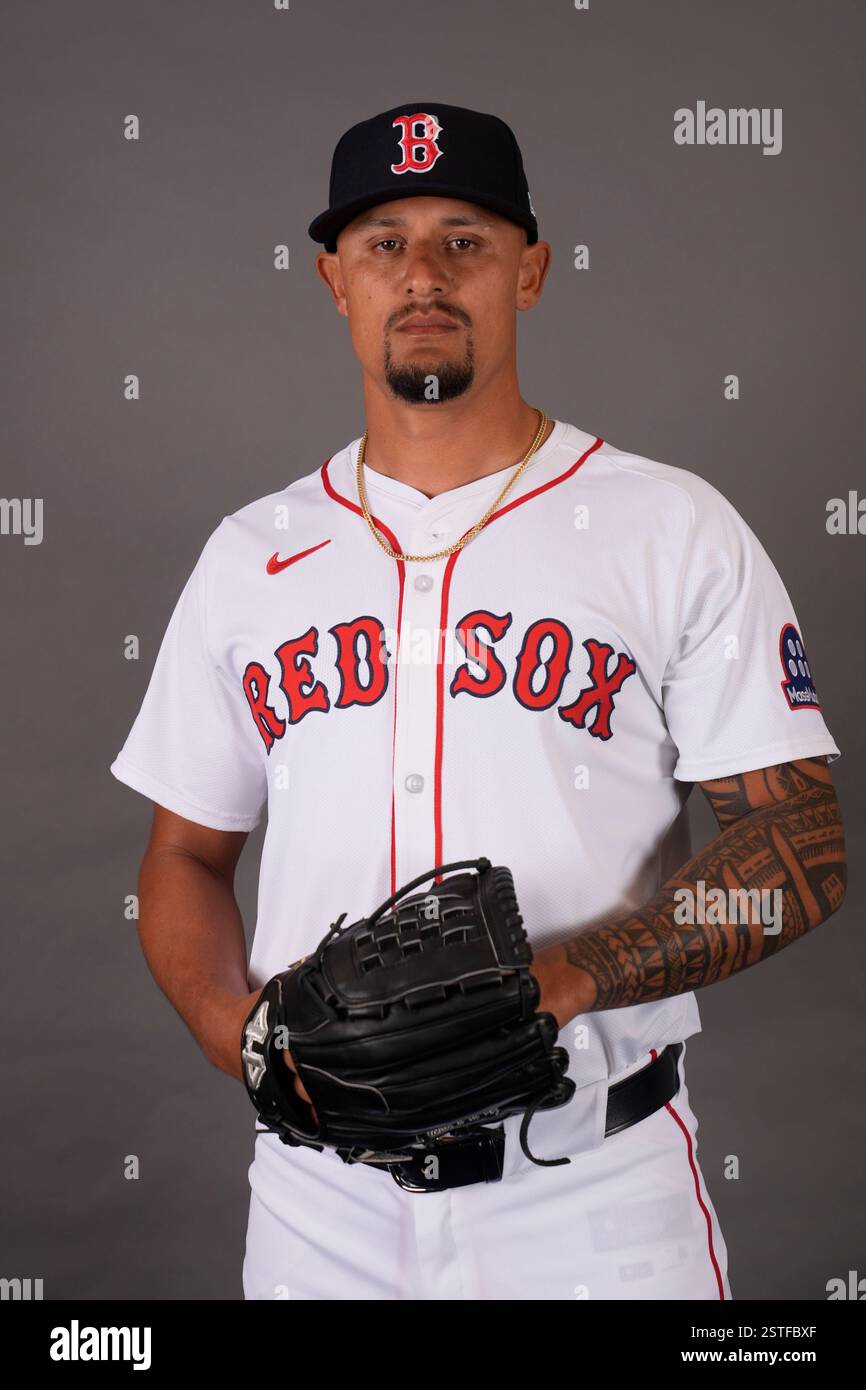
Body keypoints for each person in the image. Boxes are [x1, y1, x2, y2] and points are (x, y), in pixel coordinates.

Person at [110, 102, 847, 1300]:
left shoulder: (670, 527)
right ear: (333, 283)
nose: (421, 275)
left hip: (595, 1191)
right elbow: (182, 858)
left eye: (465, 239)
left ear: (532, 273)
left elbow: (798, 846)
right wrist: (229, 1030)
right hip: (320, 1205)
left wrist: (563, 979)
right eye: (383, 242)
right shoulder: (248, 555)